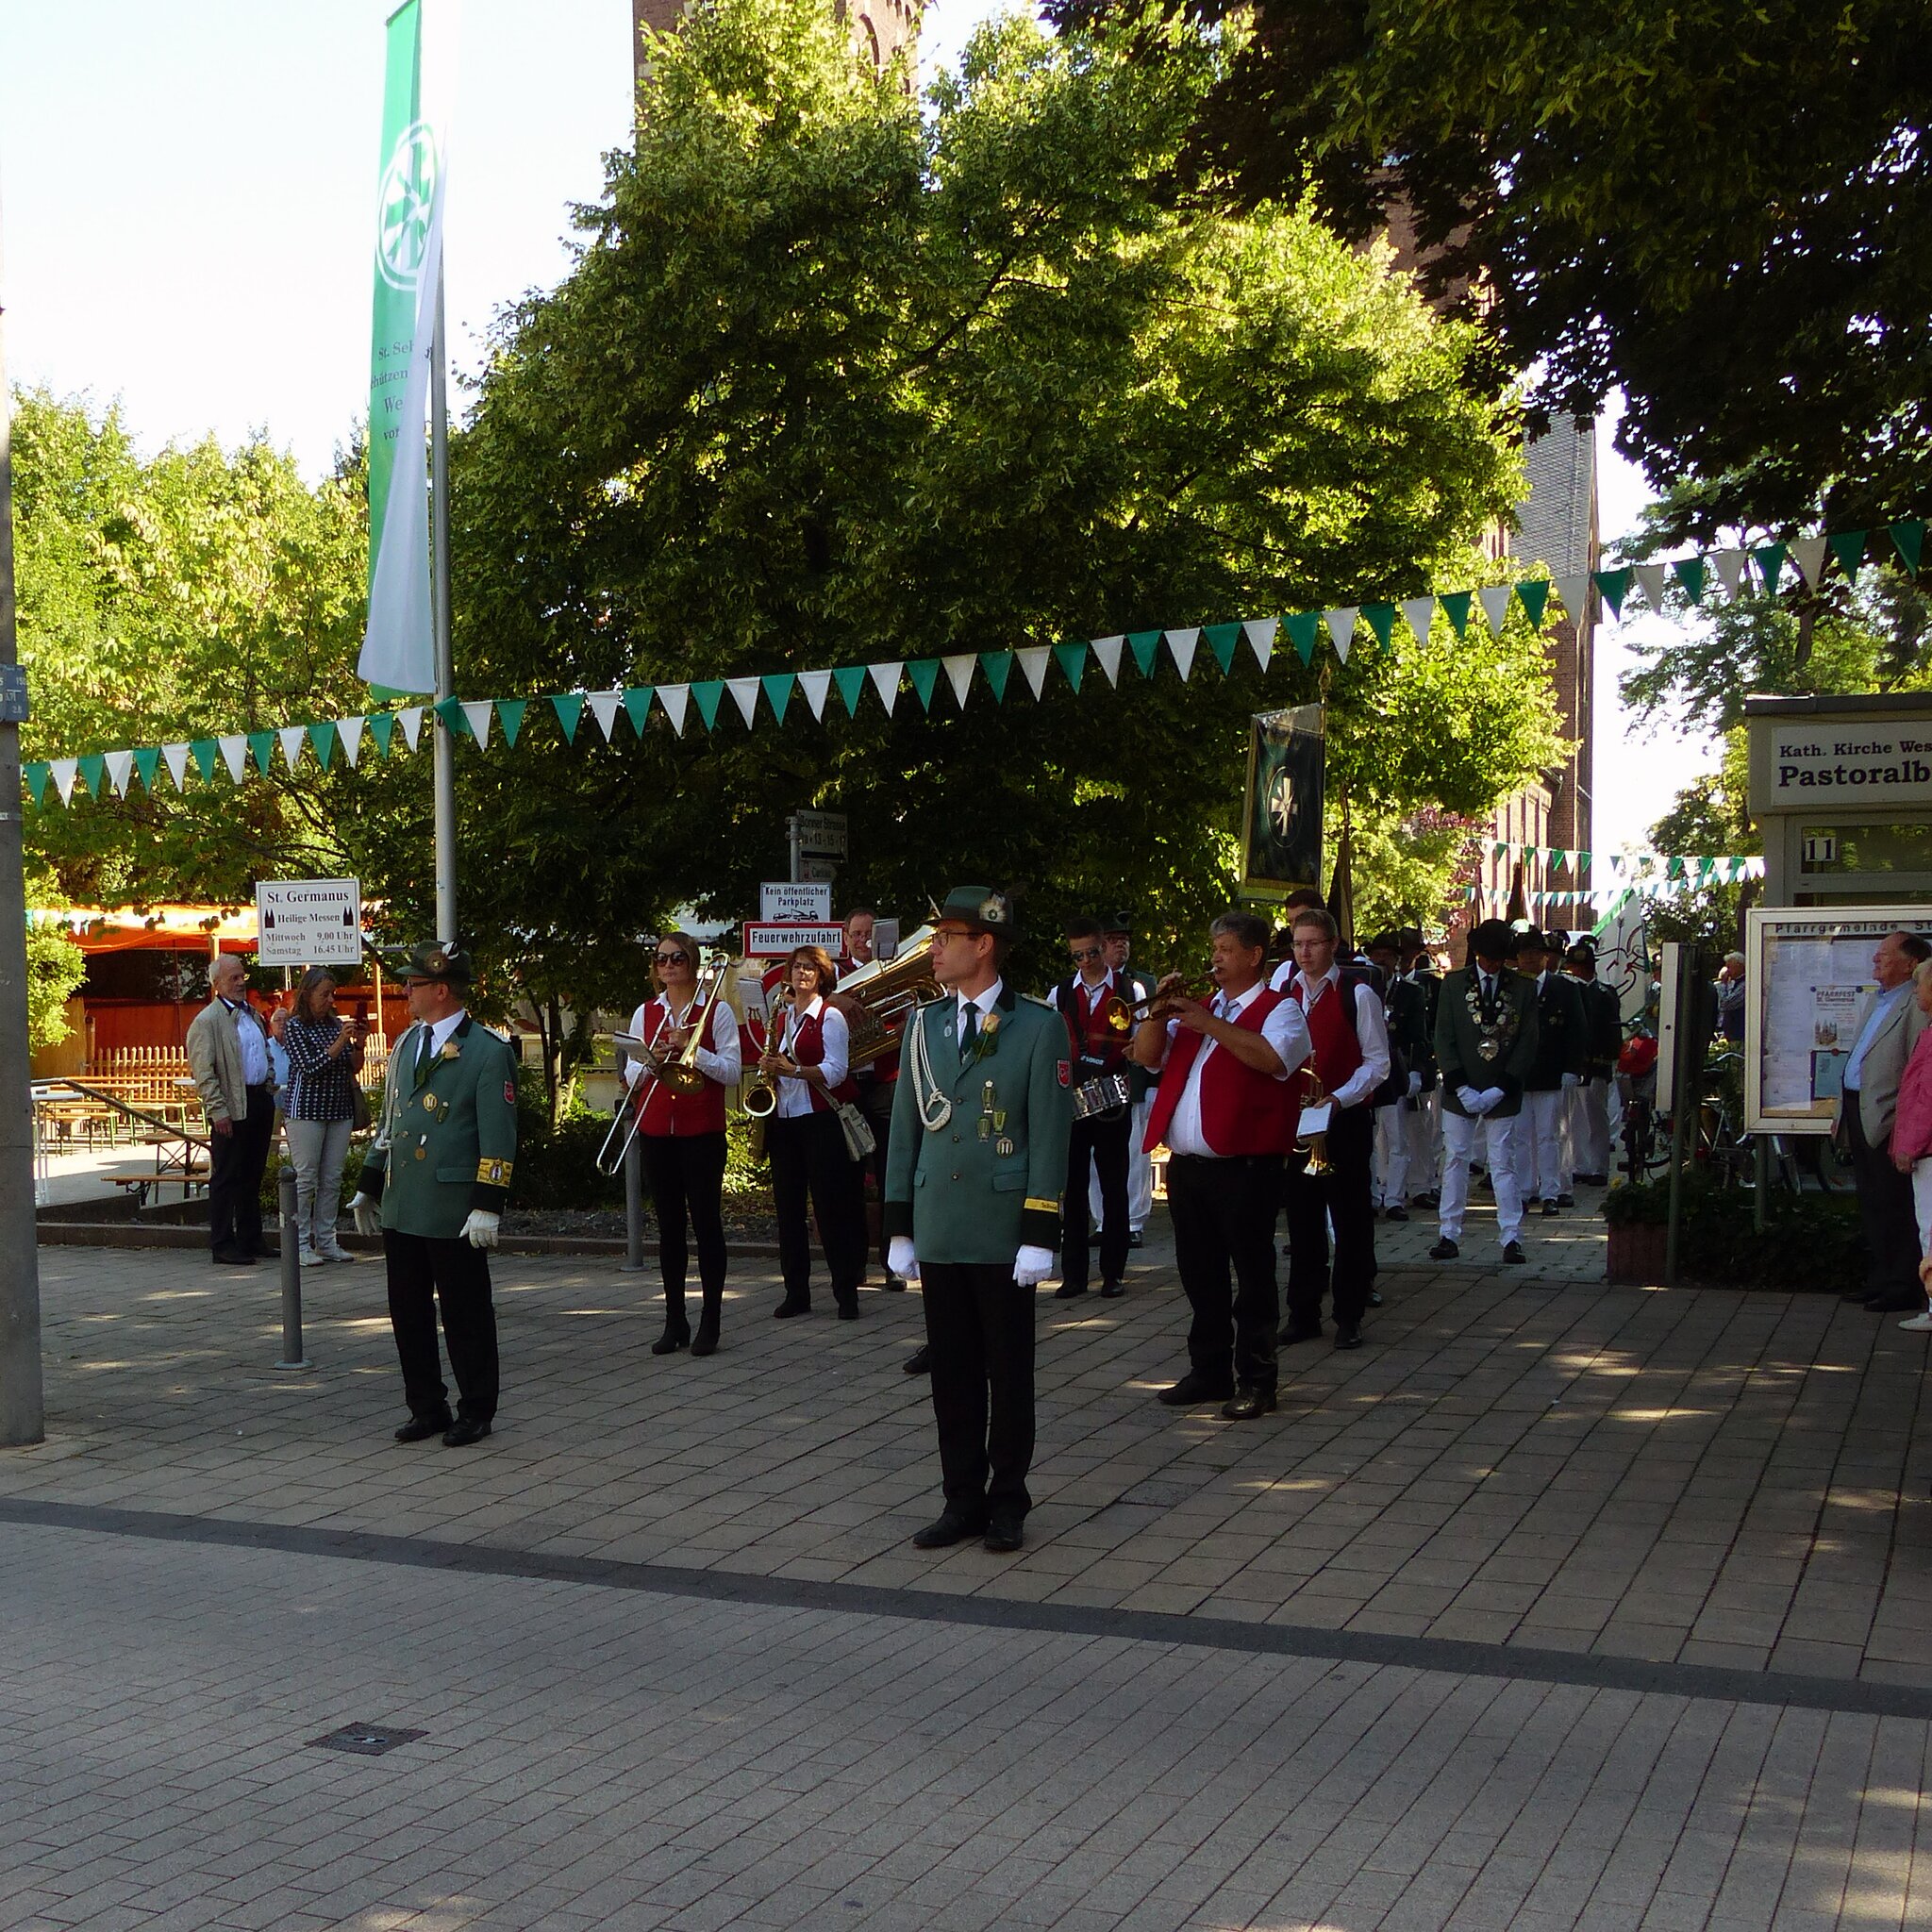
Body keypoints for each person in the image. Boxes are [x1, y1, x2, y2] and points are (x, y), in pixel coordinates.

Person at [885, 888, 1071, 1552]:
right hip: (941, 1223)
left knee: (1008, 1372)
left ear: (983, 944)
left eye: (944, 937)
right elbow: (905, 1131)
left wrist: (1039, 1234)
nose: (932, 950)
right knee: (952, 1375)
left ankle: (1008, 1501)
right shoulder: (923, 1026)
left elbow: (1050, 1137)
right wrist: (901, 1225)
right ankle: (959, 1499)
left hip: (1000, 1227)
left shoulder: (1039, 1025)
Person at [1131, 910, 1309, 1417]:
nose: (1214, 959)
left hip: (1246, 1168)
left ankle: (1257, 1379)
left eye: (1225, 950)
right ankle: (1208, 1372)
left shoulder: (1281, 1010)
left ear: (1254, 956)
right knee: (1199, 1274)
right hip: (1189, 1166)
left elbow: (1273, 1060)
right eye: (1213, 949)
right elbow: (1146, 1057)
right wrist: (1157, 1013)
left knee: (1252, 1276)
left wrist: (1210, 1022)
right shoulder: (1199, 1009)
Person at [349, 941, 518, 1448]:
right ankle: (426, 1405)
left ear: (441, 990)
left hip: (453, 1207)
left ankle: (477, 1408)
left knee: (465, 1312)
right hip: (405, 1203)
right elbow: (390, 1123)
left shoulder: (488, 1051)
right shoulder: (405, 1045)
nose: (406, 991)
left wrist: (488, 1204)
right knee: (408, 1312)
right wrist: (369, 1185)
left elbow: (499, 1136)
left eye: (414, 984)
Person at [1271, 907, 1389, 1349]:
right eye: (1298, 944)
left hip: (1343, 1118)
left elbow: (1377, 1063)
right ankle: (1302, 1313)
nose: (1303, 952)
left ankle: (1350, 1315)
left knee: (1351, 1220)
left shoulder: (1357, 995)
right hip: (1298, 1123)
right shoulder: (1282, 992)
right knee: (1301, 1223)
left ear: (1333, 945)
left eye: (1313, 943)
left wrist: (1338, 1097)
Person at [624, 933, 741, 1357]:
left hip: (701, 1132)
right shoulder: (646, 1012)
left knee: (707, 1225)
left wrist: (693, 1054)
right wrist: (650, 1060)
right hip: (657, 1129)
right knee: (669, 1228)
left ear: (692, 963)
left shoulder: (717, 1011)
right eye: (660, 960)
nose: (668, 966)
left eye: (676, 958)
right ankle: (675, 1319)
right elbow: (633, 1075)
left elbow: (731, 1071)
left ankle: (711, 1320)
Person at [759, 943, 868, 1320]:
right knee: (788, 1211)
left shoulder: (830, 1017)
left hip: (820, 1120)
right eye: (796, 967)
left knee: (830, 1209)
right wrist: (771, 1068)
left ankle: (846, 1293)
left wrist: (792, 1071)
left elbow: (837, 1071)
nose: (801, 974)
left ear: (821, 976)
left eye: (809, 969)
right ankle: (796, 1293)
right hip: (785, 1121)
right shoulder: (783, 1016)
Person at [1429, 919, 1538, 1265]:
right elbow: (1443, 1037)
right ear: (1477, 953)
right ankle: (1448, 1232)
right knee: (1456, 1159)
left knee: (1503, 1162)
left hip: (1501, 1090)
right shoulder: (1453, 985)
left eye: (1500, 957)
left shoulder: (1522, 988)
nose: (1494, 963)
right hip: (1460, 1090)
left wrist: (1502, 1086)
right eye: (1489, 957)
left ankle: (1511, 1236)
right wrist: (1459, 1084)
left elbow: (1528, 1041)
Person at [1835, 929, 1932, 1313]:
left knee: (1895, 1204)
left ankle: (1902, 1284)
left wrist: (1904, 1123)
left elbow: (1916, 1070)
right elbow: (1859, 1060)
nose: (1876, 961)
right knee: (1871, 1202)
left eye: (1884, 956)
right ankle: (1879, 1277)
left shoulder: (1914, 1004)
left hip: (1888, 1117)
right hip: (1859, 1109)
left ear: (1910, 964)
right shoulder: (1877, 1000)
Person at [1050, 916, 1134, 1300]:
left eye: (1092, 953)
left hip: (1112, 1097)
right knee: (1073, 1186)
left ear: (1104, 947)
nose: (1085, 961)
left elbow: (1143, 1041)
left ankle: (1113, 1272)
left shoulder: (1129, 989)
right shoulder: (1061, 991)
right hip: (1074, 1098)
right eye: (1077, 955)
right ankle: (1074, 1274)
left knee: (1115, 1185)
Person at [185, 953, 276, 1268]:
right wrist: (217, 1109)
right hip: (231, 1104)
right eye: (233, 978)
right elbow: (204, 1071)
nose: (240, 983)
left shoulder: (252, 1014)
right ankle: (222, 1243)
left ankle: (252, 1238)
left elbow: (265, 1051)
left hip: (258, 1099)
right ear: (217, 984)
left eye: (242, 977)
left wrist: (270, 1083)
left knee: (253, 1173)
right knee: (226, 1175)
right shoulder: (207, 1021)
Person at [841, 907, 907, 1291]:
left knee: (889, 1176)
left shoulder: (893, 971)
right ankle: (852, 1265)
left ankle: (892, 1263)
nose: (863, 940)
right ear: (845, 938)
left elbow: (907, 1018)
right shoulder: (831, 976)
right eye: (856, 934)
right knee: (848, 1177)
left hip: (884, 1080)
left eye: (869, 933)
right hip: (848, 1084)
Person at [280, 967, 365, 1267]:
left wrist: (358, 1044)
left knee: (332, 1178)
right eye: (324, 994)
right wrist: (341, 1042)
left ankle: (327, 1240)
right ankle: (300, 1243)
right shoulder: (295, 1026)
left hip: (339, 1109)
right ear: (308, 994)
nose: (330, 1000)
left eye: (333, 994)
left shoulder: (333, 1025)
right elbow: (310, 1067)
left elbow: (352, 1066)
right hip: (306, 1112)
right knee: (306, 1178)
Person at [1093, 913, 1158, 1248]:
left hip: (1130, 1079)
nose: (1121, 945)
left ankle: (1132, 1222)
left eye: (1125, 940)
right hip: (1092, 1080)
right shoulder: (1082, 983)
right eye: (1114, 940)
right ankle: (1102, 1221)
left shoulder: (1142, 982)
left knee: (1135, 1152)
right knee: (1094, 1158)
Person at [1513, 931, 1587, 1215]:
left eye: (1535, 953)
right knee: (1520, 1136)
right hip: (1518, 1075)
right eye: (1524, 954)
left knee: (1548, 1135)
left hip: (1551, 1073)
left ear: (1546, 957)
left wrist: (1572, 1068)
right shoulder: (1513, 988)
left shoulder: (1564, 988)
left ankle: (1550, 1192)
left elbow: (1577, 1032)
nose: (1530, 958)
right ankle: (1523, 1189)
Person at [1366, 932, 1428, 1221]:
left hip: (1396, 1071)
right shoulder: (1363, 988)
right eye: (1376, 955)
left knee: (1397, 1137)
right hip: (1368, 1072)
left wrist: (1416, 1071)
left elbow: (1418, 1036)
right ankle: (1370, 1193)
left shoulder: (1411, 992)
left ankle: (1394, 1197)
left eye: (1387, 956)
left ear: (1397, 960)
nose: (1381, 961)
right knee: (1368, 1138)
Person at [1886, 958, 1932, 1332]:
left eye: (1920, 985)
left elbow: (1927, 1099)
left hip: (1928, 1151)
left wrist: (1909, 1146)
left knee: (1930, 1228)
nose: (1915, 991)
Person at [1564, 941, 1622, 1186]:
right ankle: (1580, 1165)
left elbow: (1611, 1033)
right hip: (1573, 1066)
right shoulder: (1567, 991)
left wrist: (1607, 1061)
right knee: (1574, 1120)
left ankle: (1598, 1167)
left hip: (1596, 1065)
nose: (1576, 972)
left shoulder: (1605, 993)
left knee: (1596, 1117)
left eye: (1580, 967)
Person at [1400, 928, 1443, 1208]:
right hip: (1390, 1066)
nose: (1403, 958)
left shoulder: (1431, 985)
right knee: (1388, 1135)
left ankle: (1423, 1184)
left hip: (1419, 1062)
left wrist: (1425, 1065)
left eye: (1408, 952)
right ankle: (1390, 1185)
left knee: (1422, 1128)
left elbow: (1436, 1027)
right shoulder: (1377, 982)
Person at [1715, 952, 1748, 1043]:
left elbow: (1725, 1004)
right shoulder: (1735, 984)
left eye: (1729, 967)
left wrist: (1723, 984)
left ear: (1739, 966)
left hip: (1740, 1034)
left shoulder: (1745, 985)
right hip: (1733, 1034)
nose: (1727, 971)